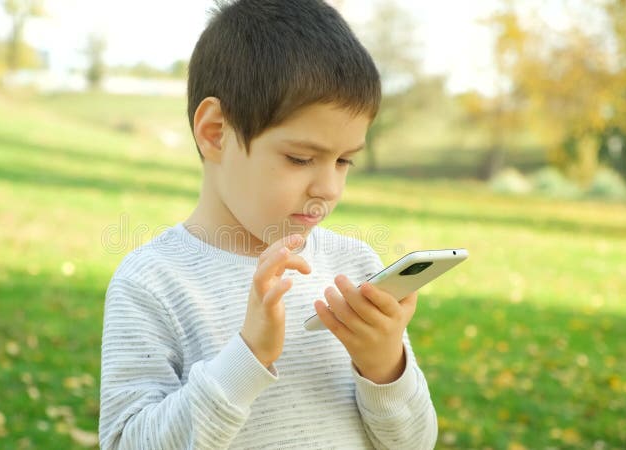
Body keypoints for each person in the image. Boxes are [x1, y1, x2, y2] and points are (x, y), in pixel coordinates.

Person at [99, 1, 437, 448]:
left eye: (344, 161)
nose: (329, 188)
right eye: (301, 158)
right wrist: (247, 357)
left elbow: (414, 443)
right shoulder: (153, 283)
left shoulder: (352, 266)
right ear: (216, 132)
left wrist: (384, 367)